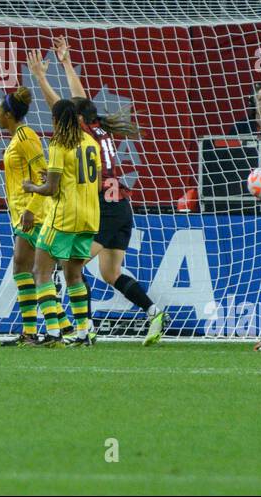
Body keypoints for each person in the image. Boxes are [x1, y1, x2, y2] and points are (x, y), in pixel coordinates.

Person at [30, 39, 168, 344]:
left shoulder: (82, 130)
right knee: (111, 273)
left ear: (79, 119)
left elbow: (62, 107)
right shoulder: (99, 127)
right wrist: (66, 63)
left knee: (71, 267)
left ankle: (83, 329)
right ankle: (154, 311)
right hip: (121, 206)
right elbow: (79, 100)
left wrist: (40, 77)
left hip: (101, 207)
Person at [21, 98, 98, 347]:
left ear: (55, 120)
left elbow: (51, 189)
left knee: (40, 272)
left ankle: (53, 332)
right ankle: (83, 333)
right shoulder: (90, 142)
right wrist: (56, 177)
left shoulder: (58, 143)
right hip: (89, 218)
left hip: (63, 218)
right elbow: (79, 177)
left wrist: (32, 186)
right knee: (74, 275)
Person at [0, 85, 49, 345]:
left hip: (33, 213)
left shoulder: (26, 136)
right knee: (24, 266)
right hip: (22, 214)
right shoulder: (17, 137)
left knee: (38, 269)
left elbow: (44, 174)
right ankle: (32, 331)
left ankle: (63, 329)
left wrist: (32, 208)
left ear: (7, 113)